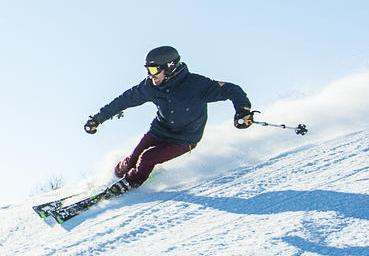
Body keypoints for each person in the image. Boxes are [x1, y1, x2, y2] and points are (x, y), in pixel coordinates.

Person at [84, 45, 253, 196]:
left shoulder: (196, 85)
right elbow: (125, 100)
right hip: (159, 131)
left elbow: (232, 90)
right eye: (148, 70)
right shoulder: (150, 86)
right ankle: (113, 178)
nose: (151, 75)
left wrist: (243, 111)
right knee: (132, 159)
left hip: (184, 139)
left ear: (170, 68)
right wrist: (99, 118)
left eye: (154, 70)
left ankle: (130, 183)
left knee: (147, 157)